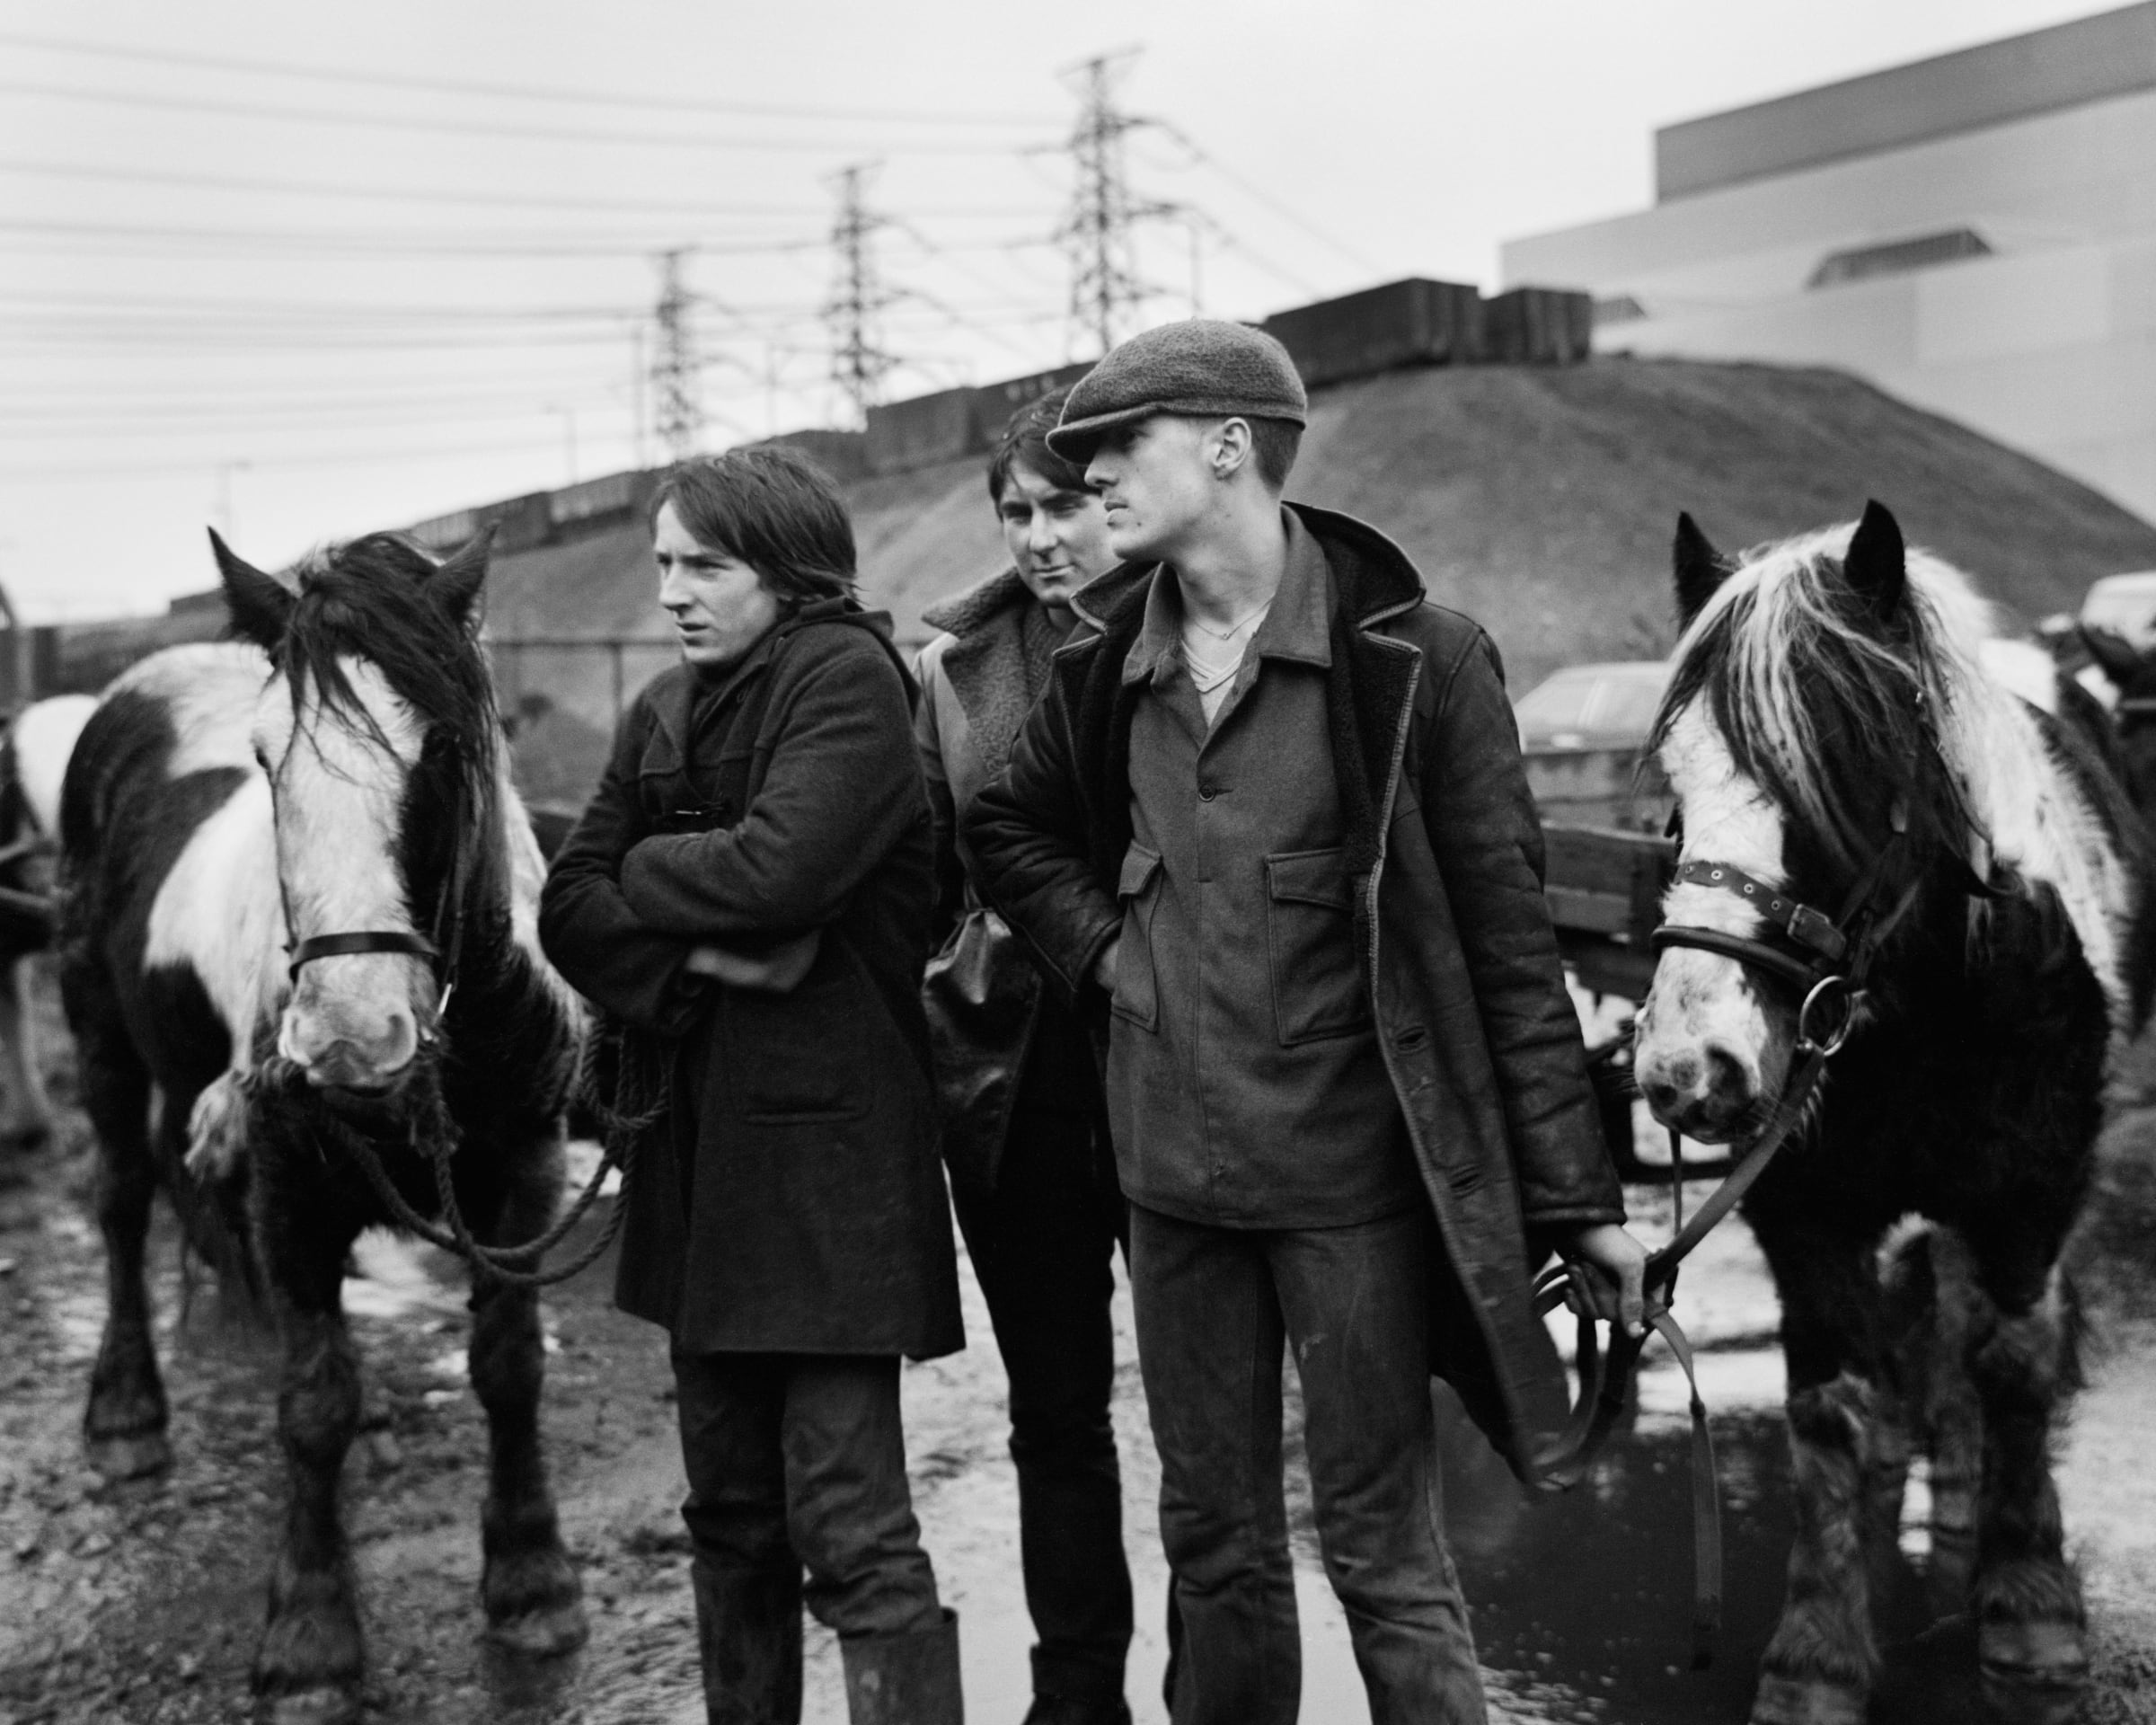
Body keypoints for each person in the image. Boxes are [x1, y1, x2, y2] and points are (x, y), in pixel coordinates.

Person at [964, 320, 1648, 1725]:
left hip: (1352, 1192)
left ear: (1229, 446)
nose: (1089, 479)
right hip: (1169, 1188)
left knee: (1386, 1558)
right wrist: (1112, 963)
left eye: (1116, 448)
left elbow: (1511, 955)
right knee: (1212, 1552)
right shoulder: (1104, 671)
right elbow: (1008, 826)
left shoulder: (1422, 665)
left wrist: (1579, 1202)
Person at [539, 446, 966, 1725]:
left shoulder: (846, 677)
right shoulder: (665, 705)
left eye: (704, 564)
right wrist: (697, 960)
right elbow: (567, 903)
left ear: (787, 568)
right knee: (726, 1516)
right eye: (665, 562)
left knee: (852, 1524)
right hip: (695, 1158)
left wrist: (649, 878)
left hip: (826, 1172)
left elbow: (785, 873)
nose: (673, 589)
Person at [915, 389, 1135, 1725]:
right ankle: (1078, 1694)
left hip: (1175, 1070)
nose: (1044, 537)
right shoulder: (952, 671)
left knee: (1222, 1423)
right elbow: (931, 877)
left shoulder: (1197, 631)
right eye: (1019, 512)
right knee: (1054, 1414)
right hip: (1016, 1093)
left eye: (1066, 506)